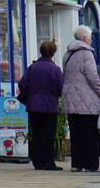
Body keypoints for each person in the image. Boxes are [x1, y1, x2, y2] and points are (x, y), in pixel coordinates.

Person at [62, 26, 100, 172]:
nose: (91, 39)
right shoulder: (87, 54)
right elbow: (92, 76)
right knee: (90, 133)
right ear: (86, 38)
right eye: (90, 37)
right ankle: (91, 164)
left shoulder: (67, 53)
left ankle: (77, 163)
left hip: (70, 98)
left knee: (76, 133)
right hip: (86, 99)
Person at [17, 39, 64, 171]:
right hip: (49, 106)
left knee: (37, 134)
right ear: (53, 53)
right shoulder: (55, 69)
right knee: (48, 135)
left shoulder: (32, 68)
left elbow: (21, 84)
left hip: (33, 105)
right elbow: (61, 88)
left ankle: (37, 161)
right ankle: (48, 161)